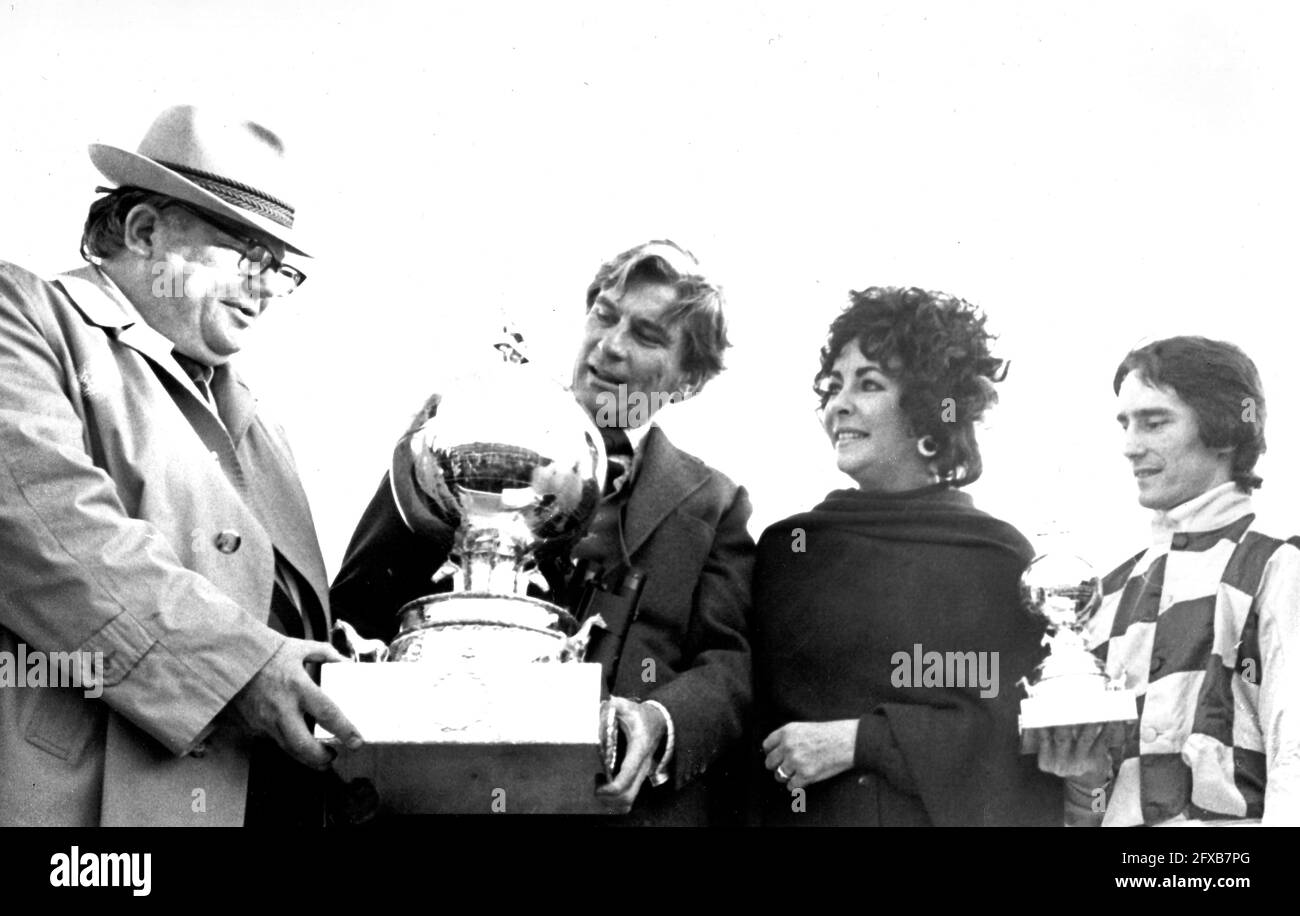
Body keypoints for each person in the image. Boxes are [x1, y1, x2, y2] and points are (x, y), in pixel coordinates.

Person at [0, 105, 361, 827]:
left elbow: (267, 608)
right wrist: (241, 668)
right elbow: (48, 533)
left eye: (281, 270)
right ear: (142, 230)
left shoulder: (258, 422)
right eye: (247, 254)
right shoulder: (26, 315)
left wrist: (337, 662)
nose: (265, 288)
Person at [330, 240, 753, 824]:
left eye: (647, 336)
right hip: (438, 802)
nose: (610, 346)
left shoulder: (714, 503)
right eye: (604, 315)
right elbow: (357, 604)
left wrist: (658, 721)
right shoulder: (468, 431)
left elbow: (727, 667)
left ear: (687, 381)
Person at [751, 286, 1062, 826]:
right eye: (833, 387)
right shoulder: (787, 551)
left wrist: (862, 741)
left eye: (869, 384)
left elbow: (1011, 735)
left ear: (927, 409)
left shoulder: (996, 559)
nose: (838, 404)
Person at [1035, 336, 1300, 826]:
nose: (1130, 446)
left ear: (1223, 430)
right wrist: (1083, 779)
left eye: (1155, 423)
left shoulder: (1278, 566)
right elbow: (1094, 808)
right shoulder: (1106, 592)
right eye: (1125, 424)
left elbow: (1295, 758)